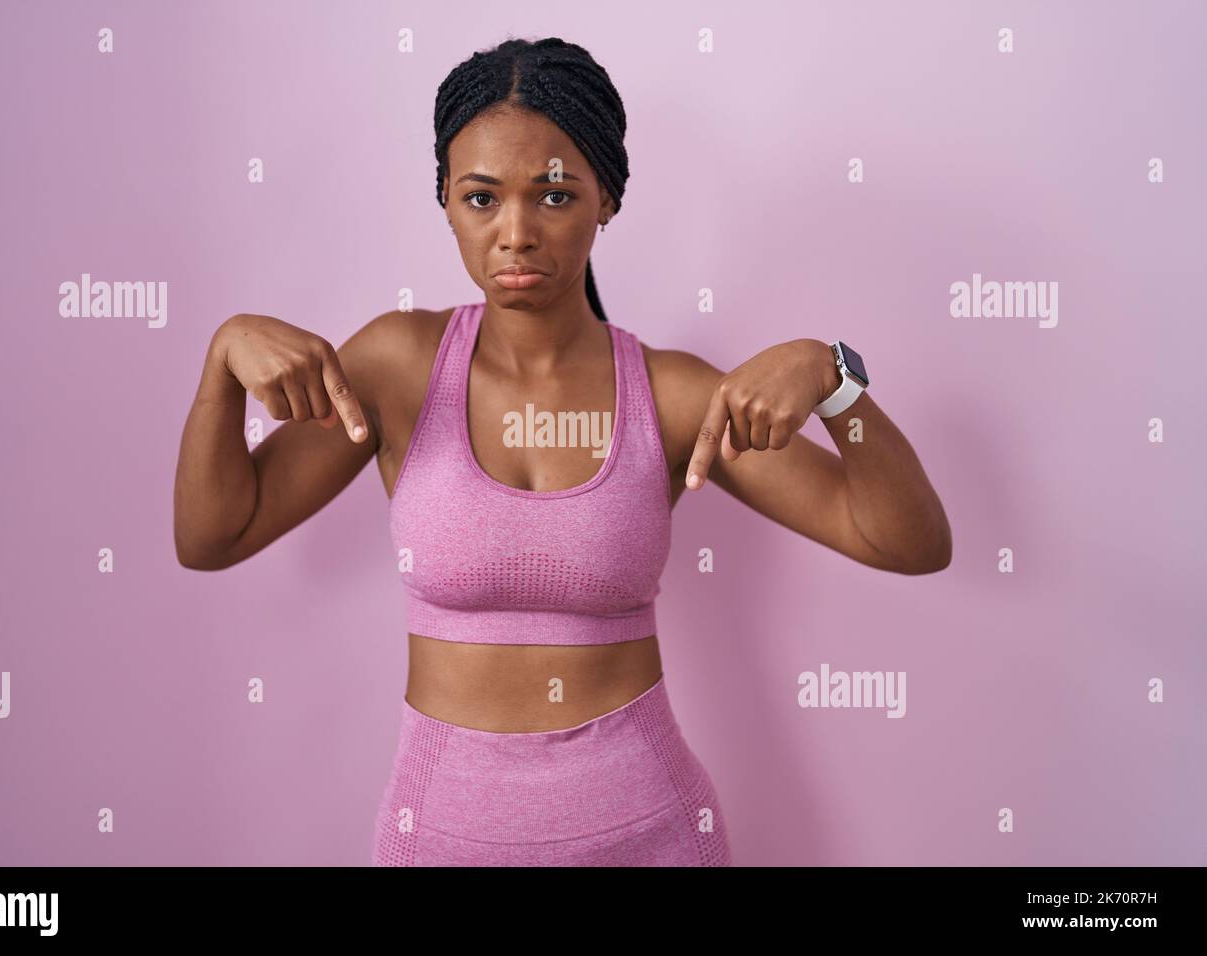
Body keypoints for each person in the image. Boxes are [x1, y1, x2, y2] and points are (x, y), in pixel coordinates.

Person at [173, 37, 952, 866]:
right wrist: (222, 362)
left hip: (652, 834)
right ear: (444, 198)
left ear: (605, 199)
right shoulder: (396, 371)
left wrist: (834, 381)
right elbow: (215, 536)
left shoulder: (672, 395)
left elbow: (907, 542)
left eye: (553, 195)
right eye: (481, 199)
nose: (515, 233)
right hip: (439, 841)